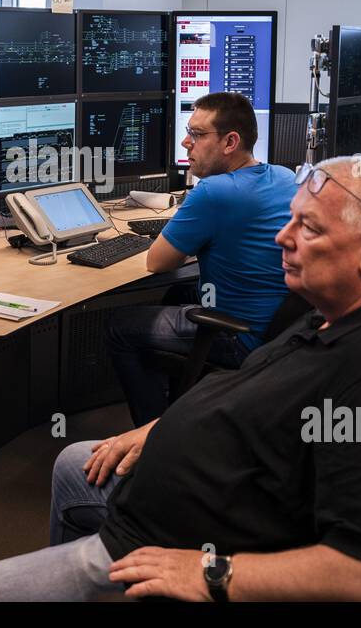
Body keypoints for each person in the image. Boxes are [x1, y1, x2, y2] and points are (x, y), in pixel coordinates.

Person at [0, 155, 361, 601]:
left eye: (308, 227)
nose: (282, 237)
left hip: (186, 539)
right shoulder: (334, 314)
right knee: (73, 461)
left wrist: (212, 572)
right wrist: (160, 430)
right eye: (291, 218)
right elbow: (256, 398)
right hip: (183, 495)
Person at [108, 92, 297, 426]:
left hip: (241, 337)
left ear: (230, 142)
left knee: (119, 327)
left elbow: (158, 262)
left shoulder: (212, 192)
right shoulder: (284, 177)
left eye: (196, 134)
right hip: (280, 334)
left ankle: (155, 436)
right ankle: (183, 408)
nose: (186, 143)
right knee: (177, 293)